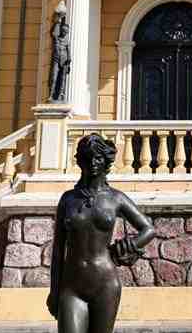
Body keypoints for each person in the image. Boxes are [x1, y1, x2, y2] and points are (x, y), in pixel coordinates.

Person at [48, 134, 155, 333]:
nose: (93, 162)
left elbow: (148, 229)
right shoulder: (68, 199)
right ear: (80, 161)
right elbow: (57, 251)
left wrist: (131, 244)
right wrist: (54, 291)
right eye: (88, 157)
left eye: (98, 157)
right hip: (72, 287)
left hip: (105, 284)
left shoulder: (116, 198)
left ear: (105, 161)